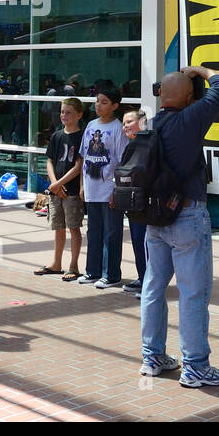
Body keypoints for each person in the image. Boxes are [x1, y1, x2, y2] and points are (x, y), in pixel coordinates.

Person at [139, 66, 219, 387]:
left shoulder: (149, 127)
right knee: (193, 293)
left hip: (155, 220)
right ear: (191, 97)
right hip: (188, 217)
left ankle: (152, 357)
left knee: (153, 287)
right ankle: (195, 366)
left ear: (161, 95)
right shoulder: (190, 121)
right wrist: (201, 71)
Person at [77, 85, 129, 289]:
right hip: (91, 189)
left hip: (109, 191)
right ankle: (93, 271)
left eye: (104, 102)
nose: (98, 105)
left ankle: (112, 274)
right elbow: (84, 158)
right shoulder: (90, 125)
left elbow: (122, 162)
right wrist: (82, 185)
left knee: (112, 233)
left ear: (115, 106)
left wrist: (116, 190)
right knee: (93, 232)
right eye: (97, 100)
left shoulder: (118, 128)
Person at [34, 97, 85, 280]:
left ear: (79, 115)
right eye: (62, 112)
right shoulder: (56, 135)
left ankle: (74, 265)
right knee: (58, 227)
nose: (64, 115)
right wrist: (54, 183)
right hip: (57, 191)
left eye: (69, 112)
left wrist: (58, 183)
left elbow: (79, 165)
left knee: (73, 227)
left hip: (71, 190)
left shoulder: (81, 136)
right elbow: (50, 161)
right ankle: (56, 262)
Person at [120, 109, 148, 297]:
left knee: (147, 243)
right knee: (137, 240)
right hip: (132, 202)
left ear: (142, 122)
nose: (125, 126)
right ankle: (142, 277)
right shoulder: (131, 146)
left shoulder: (149, 143)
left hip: (147, 202)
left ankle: (149, 282)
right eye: (123, 124)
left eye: (129, 122)